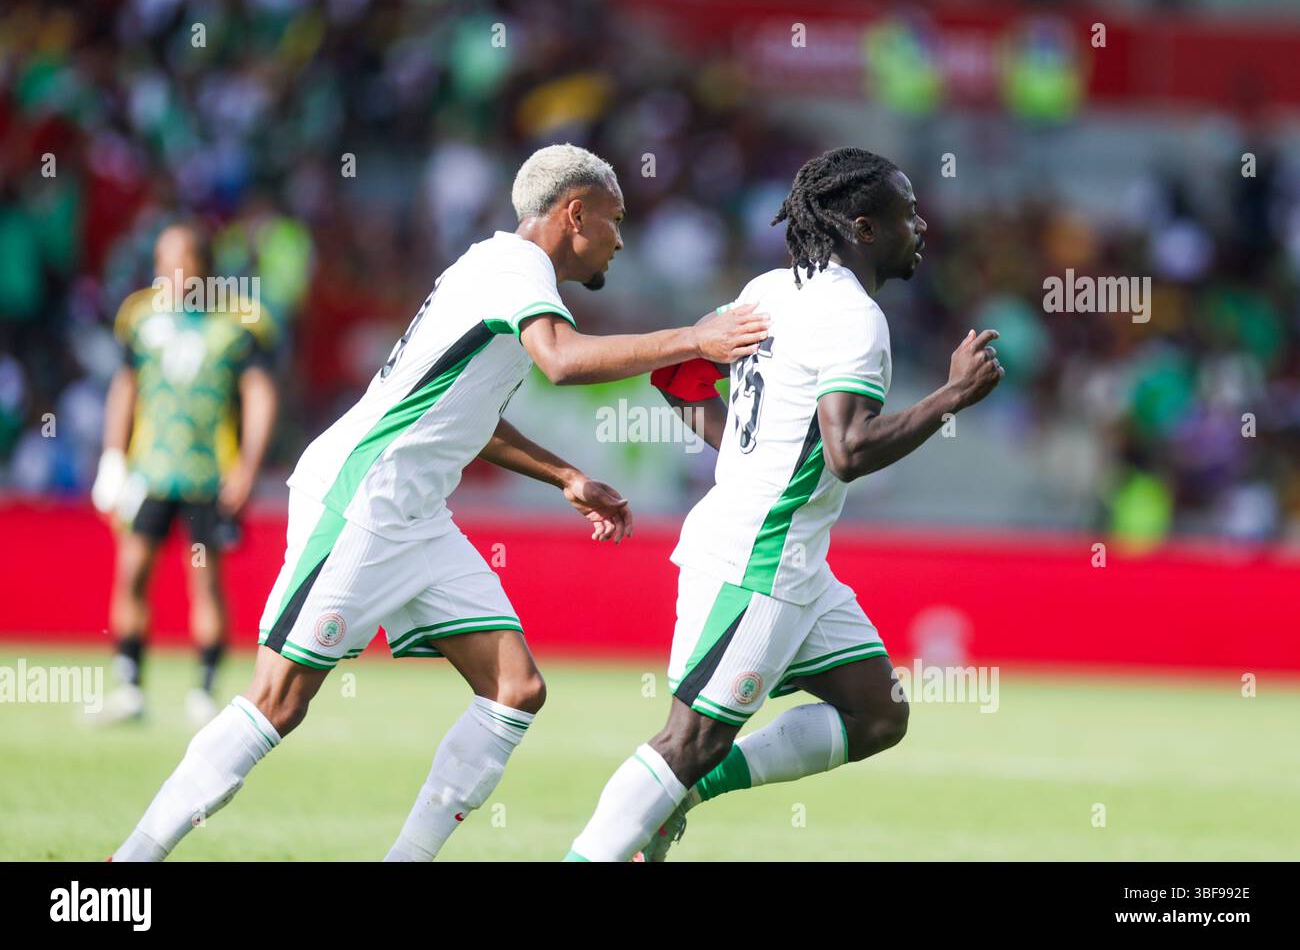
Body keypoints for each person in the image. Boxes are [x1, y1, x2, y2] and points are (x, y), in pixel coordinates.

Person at [110, 143, 769, 861]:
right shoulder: (515, 271)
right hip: (365, 498)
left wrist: (564, 477)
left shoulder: (501, 273)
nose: (620, 237)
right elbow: (562, 359)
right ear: (573, 214)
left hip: (417, 514)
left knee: (514, 690)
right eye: (613, 220)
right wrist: (693, 339)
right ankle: (129, 865)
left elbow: (461, 413)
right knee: (279, 700)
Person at [565, 147, 1003, 862]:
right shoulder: (856, 320)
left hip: (795, 561)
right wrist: (952, 395)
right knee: (690, 739)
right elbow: (849, 451)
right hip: (758, 558)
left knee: (877, 714)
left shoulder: (770, 289)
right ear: (863, 228)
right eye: (908, 213)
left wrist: (742, 450)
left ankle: (685, 796)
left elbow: (677, 376)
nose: (922, 226)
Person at [92, 222, 277, 728]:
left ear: (204, 264)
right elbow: (125, 386)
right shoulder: (140, 315)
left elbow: (260, 396)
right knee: (132, 571)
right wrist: (112, 457)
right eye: (162, 259)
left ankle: (204, 689)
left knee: (207, 583)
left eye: (181, 260)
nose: (169, 271)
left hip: (209, 473)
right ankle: (129, 685)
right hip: (150, 469)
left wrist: (248, 465)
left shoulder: (239, 321)